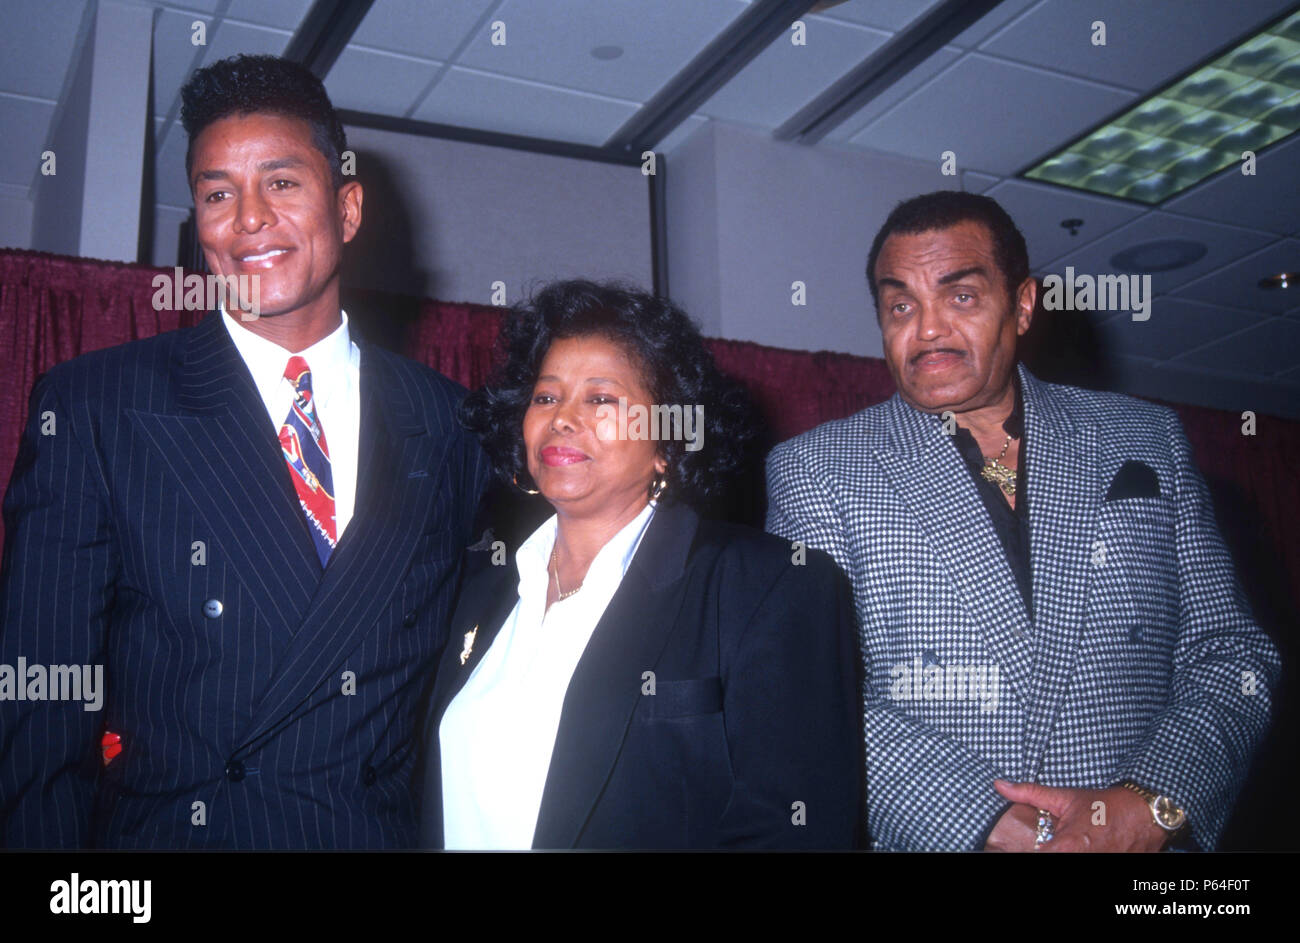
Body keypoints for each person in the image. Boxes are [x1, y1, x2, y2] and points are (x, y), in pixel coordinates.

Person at [0, 55, 489, 848]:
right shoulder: (98, 406)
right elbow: (39, 709)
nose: (249, 219)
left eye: (283, 183)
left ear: (349, 207)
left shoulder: (452, 421)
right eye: (217, 193)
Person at [765, 190, 1280, 852]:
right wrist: (994, 827)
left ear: (1024, 304)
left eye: (960, 296)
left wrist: (1150, 804)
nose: (925, 329)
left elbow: (1230, 654)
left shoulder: (1145, 438)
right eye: (901, 305)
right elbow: (809, 692)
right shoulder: (818, 470)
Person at [418, 280, 861, 849]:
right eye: (546, 397)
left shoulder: (772, 587)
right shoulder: (476, 588)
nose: (562, 418)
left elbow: (794, 830)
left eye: (601, 399)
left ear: (667, 442)